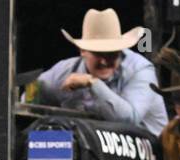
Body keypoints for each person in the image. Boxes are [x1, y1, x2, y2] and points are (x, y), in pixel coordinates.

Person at [33, 7, 167, 136]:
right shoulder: (64, 71)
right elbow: (31, 93)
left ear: (120, 51)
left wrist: (92, 83)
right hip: (88, 150)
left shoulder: (141, 70)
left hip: (147, 151)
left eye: (111, 54)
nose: (104, 61)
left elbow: (128, 121)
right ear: (83, 51)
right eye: (98, 54)